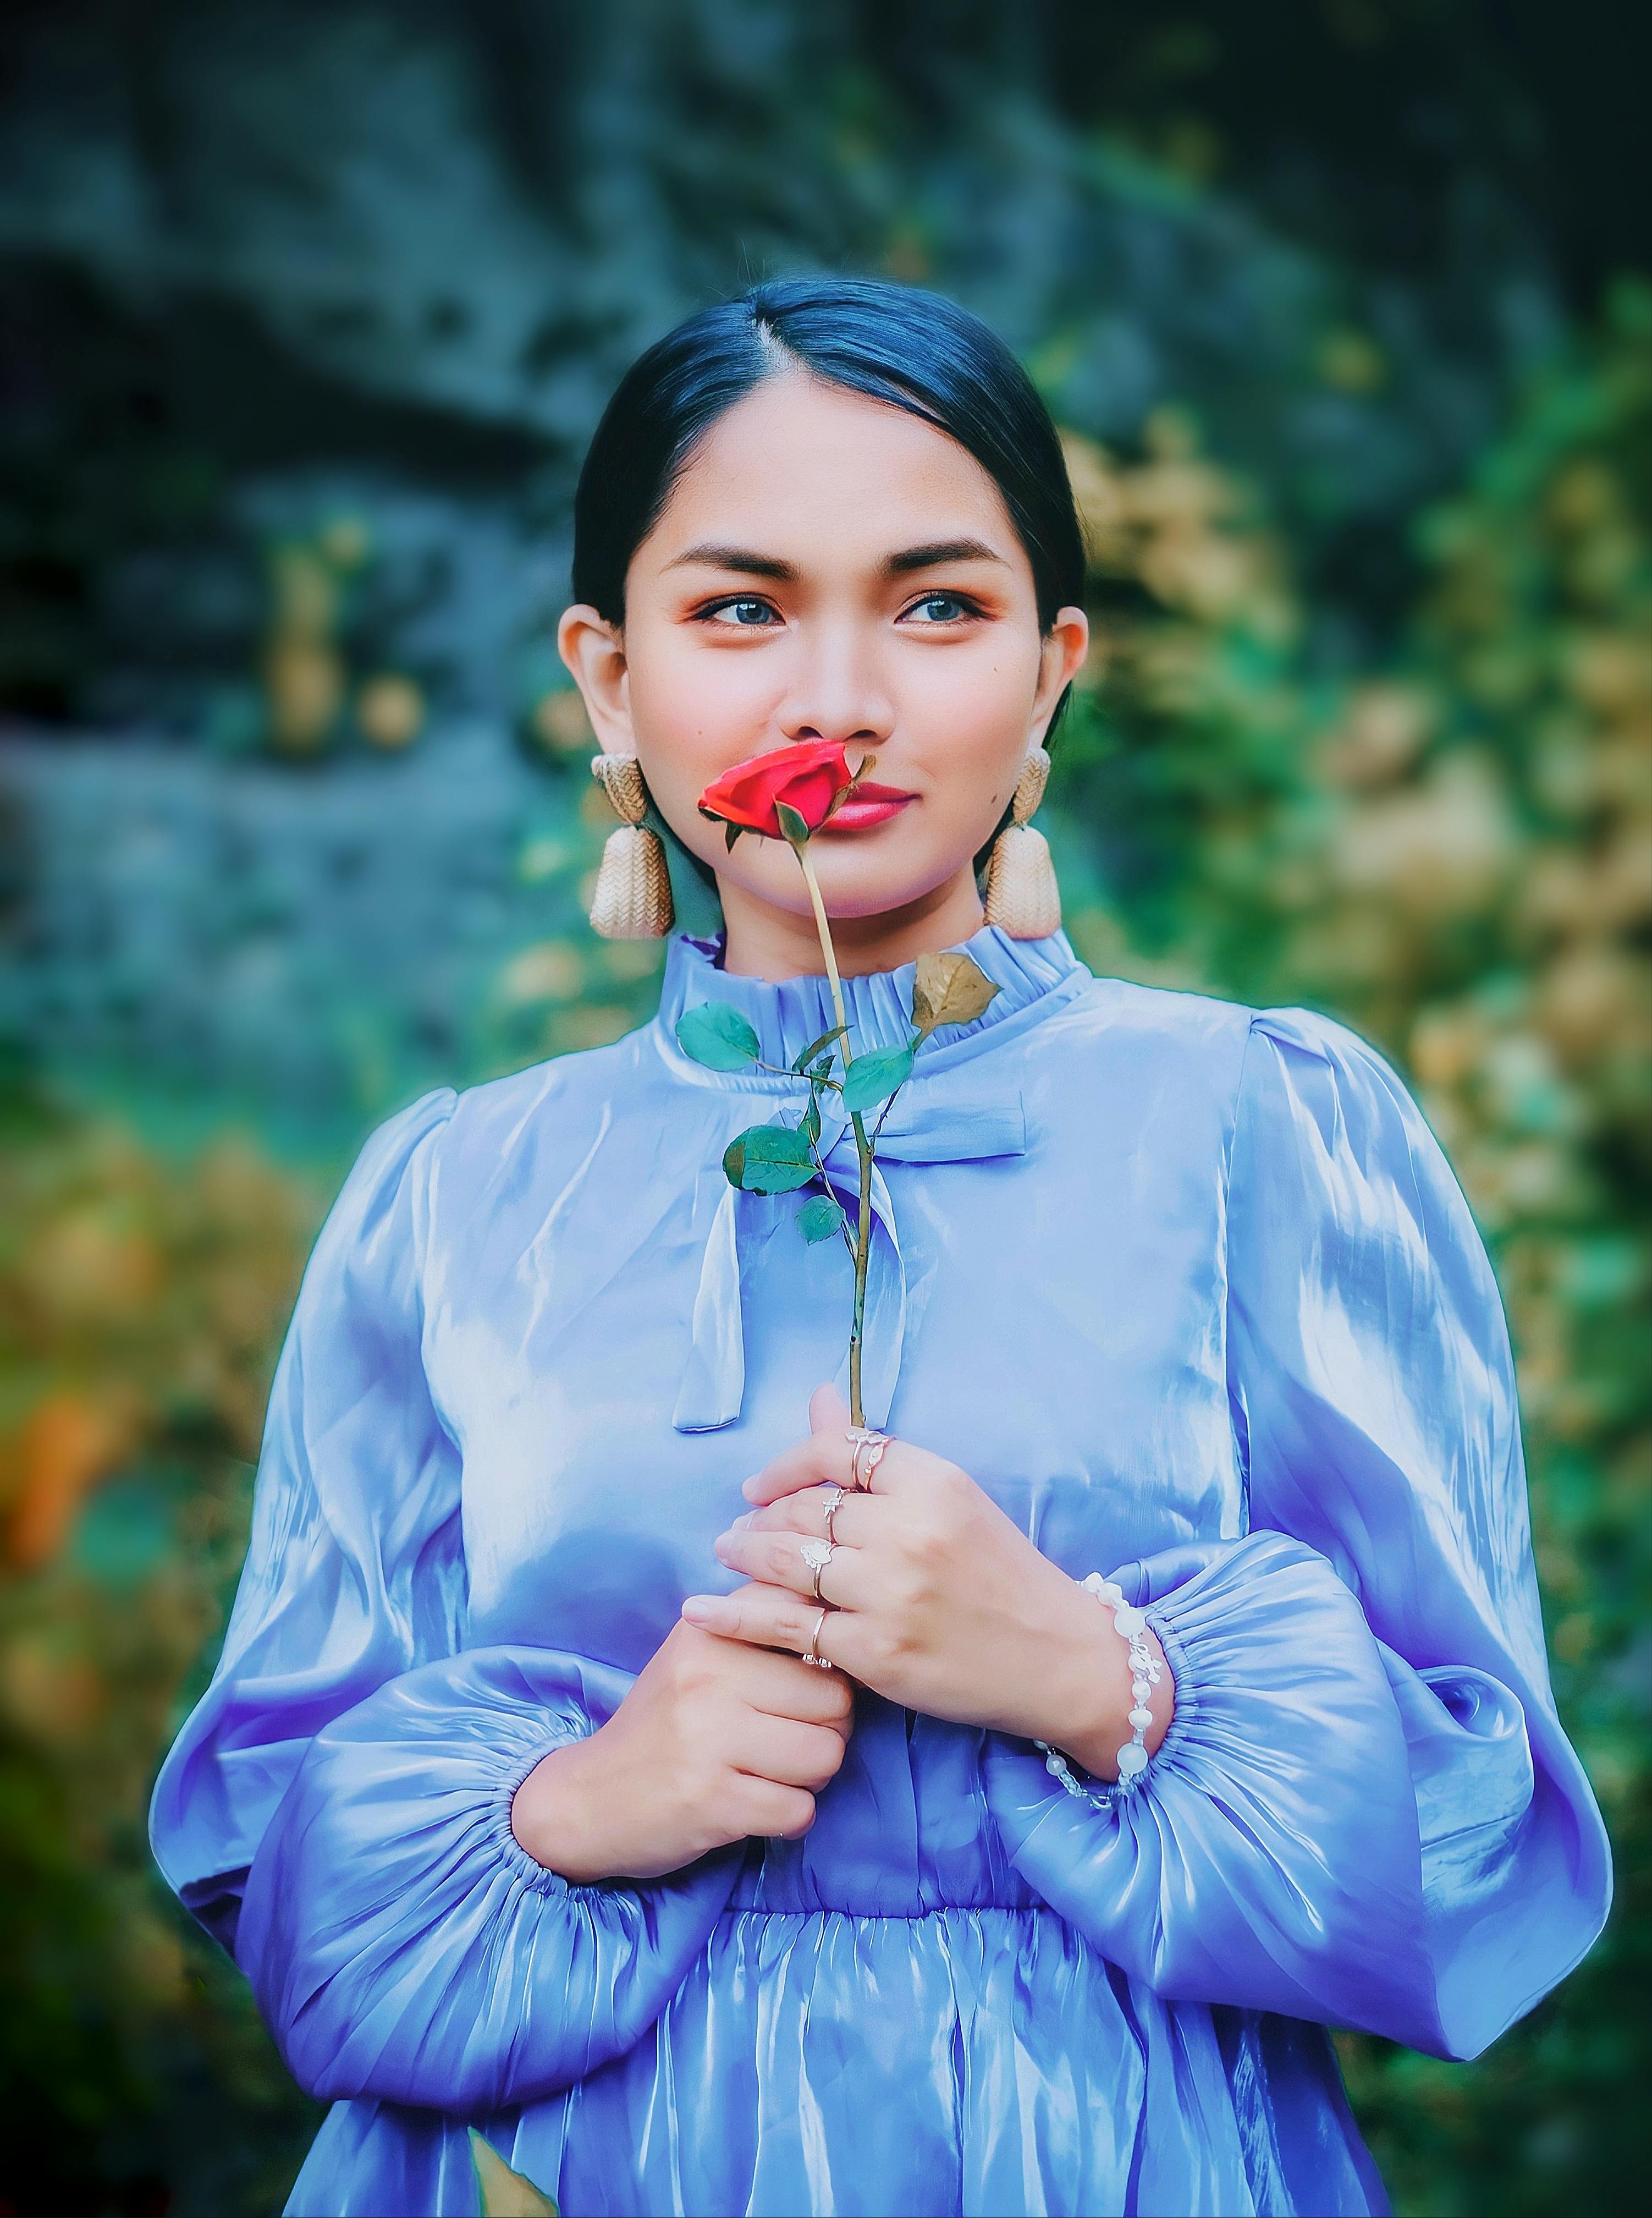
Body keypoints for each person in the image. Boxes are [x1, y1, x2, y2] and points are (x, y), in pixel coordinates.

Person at [150, 278, 1610, 2218]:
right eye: (738, 609)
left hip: (1113, 2159)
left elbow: (1486, 1833)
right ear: (606, 676)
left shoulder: (1260, 1128)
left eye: (936, 606)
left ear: (1051, 668)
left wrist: (1098, 1678)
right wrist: (580, 1807)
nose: (834, 698)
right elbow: (274, 1868)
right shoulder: (458, 1197)